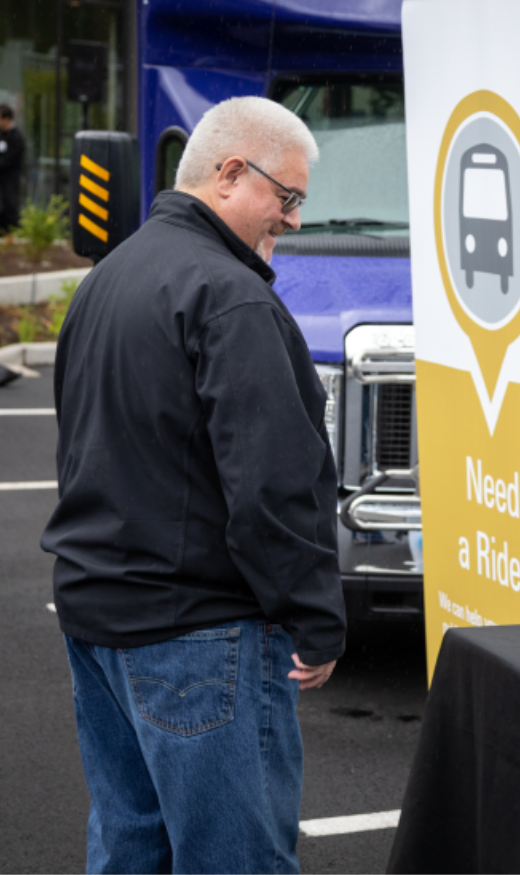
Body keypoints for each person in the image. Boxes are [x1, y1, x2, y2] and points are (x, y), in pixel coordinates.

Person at [41, 96, 346, 874]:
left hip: (98, 616)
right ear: (231, 174)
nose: (296, 220)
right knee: (233, 859)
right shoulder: (230, 295)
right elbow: (272, 483)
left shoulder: (109, 278)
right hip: (197, 631)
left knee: (129, 845)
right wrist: (314, 616)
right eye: (288, 197)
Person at [0, 104, 26, 233]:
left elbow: (7, 160)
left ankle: (13, 233)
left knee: (10, 206)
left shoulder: (16, 137)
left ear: (7, 119)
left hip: (10, 179)